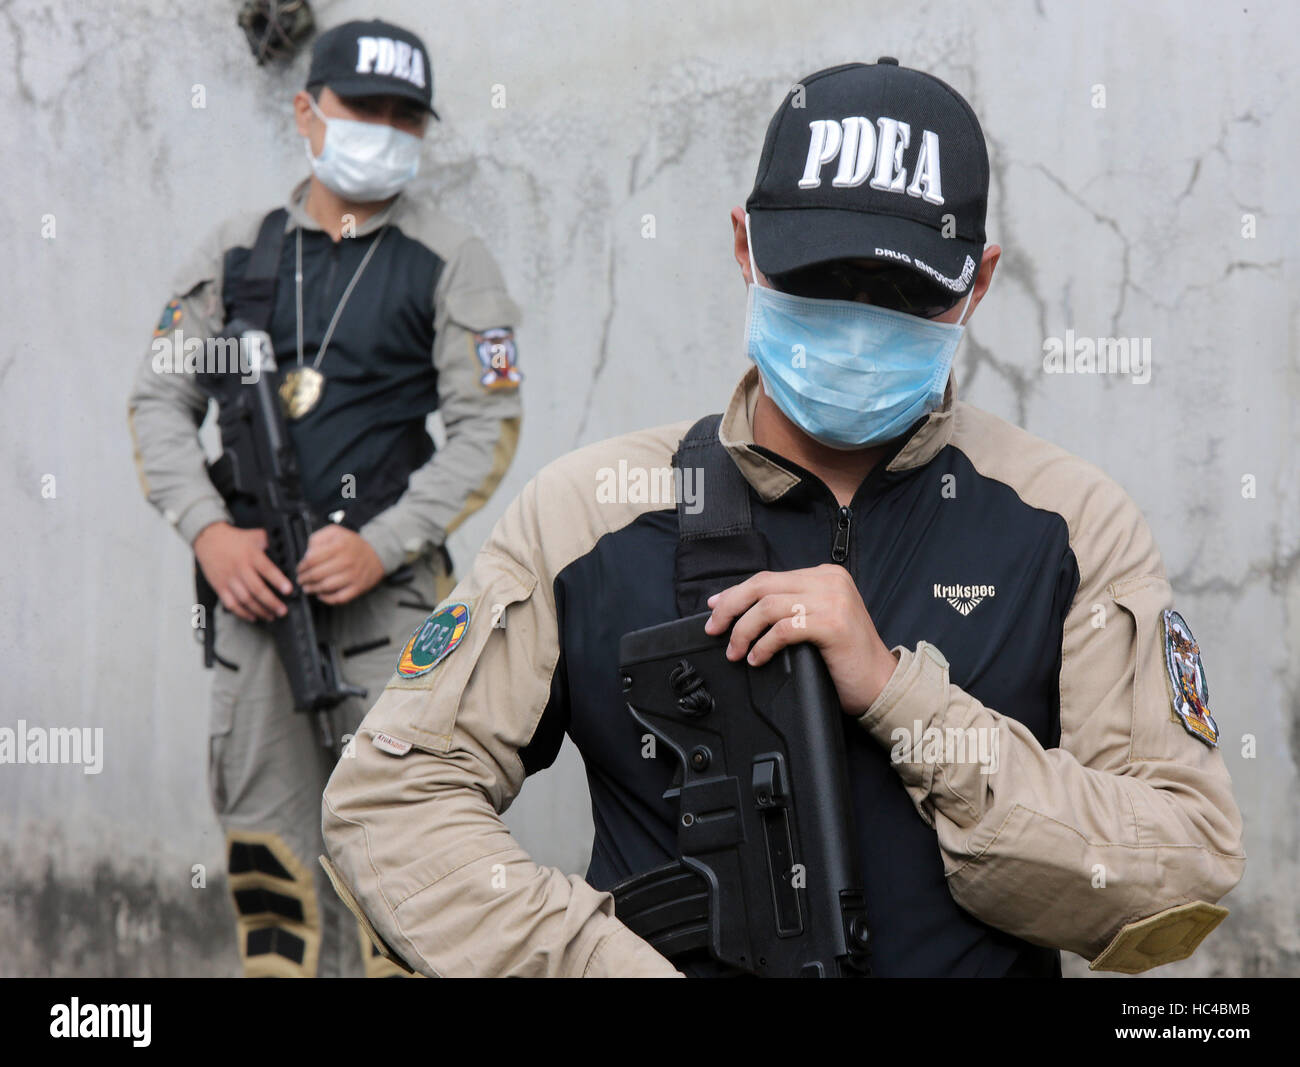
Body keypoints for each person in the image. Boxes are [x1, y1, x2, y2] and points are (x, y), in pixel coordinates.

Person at [318, 59, 1244, 977]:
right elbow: (391, 803)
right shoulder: (587, 517)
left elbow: (1183, 865)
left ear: (979, 281)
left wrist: (900, 699)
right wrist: (601, 964)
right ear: (743, 246)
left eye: (901, 292)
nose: (854, 320)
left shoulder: (1068, 526)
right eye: (821, 275)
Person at [127, 18, 523, 977]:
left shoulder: (446, 257)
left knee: (405, 862)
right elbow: (158, 400)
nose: (383, 130)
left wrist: (382, 543)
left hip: (387, 605)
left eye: (403, 116)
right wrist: (210, 533)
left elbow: (486, 429)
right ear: (309, 114)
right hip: (256, 600)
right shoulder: (237, 257)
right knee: (268, 858)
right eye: (362, 109)